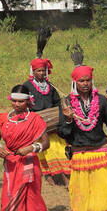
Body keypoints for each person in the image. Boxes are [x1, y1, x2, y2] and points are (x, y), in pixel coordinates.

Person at [58, 64, 107, 211]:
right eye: (81, 81)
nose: (85, 84)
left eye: (88, 80)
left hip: (100, 150)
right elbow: (63, 132)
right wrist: (68, 120)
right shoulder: (66, 104)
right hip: (80, 152)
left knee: (105, 187)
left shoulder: (101, 101)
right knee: (84, 190)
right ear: (75, 82)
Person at [0, 82, 50, 211]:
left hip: (29, 164)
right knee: (10, 200)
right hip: (11, 165)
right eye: (14, 101)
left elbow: (46, 143)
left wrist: (32, 148)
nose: (17, 105)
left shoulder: (35, 119)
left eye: (21, 102)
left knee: (33, 199)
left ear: (28, 102)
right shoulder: (4, 118)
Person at [26, 54, 69, 185]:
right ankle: (49, 175)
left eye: (43, 70)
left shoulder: (50, 86)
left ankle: (65, 176)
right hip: (38, 124)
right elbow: (24, 104)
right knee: (44, 152)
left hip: (52, 124)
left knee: (58, 149)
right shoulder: (27, 86)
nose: (41, 73)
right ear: (32, 72)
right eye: (38, 71)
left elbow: (57, 102)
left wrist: (58, 116)